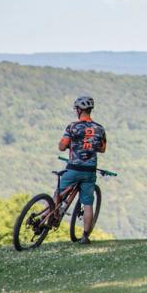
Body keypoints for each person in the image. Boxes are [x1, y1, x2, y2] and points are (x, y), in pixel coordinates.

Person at [57, 95, 107, 243]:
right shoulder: (100, 128)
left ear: (79, 110)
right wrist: (90, 145)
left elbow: (61, 147)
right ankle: (85, 236)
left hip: (73, 167)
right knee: (87, 203)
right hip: (89, 170)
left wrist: (71, 145)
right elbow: (102, 149)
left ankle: (50, 217)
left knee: (58, 194)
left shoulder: (72, 127)